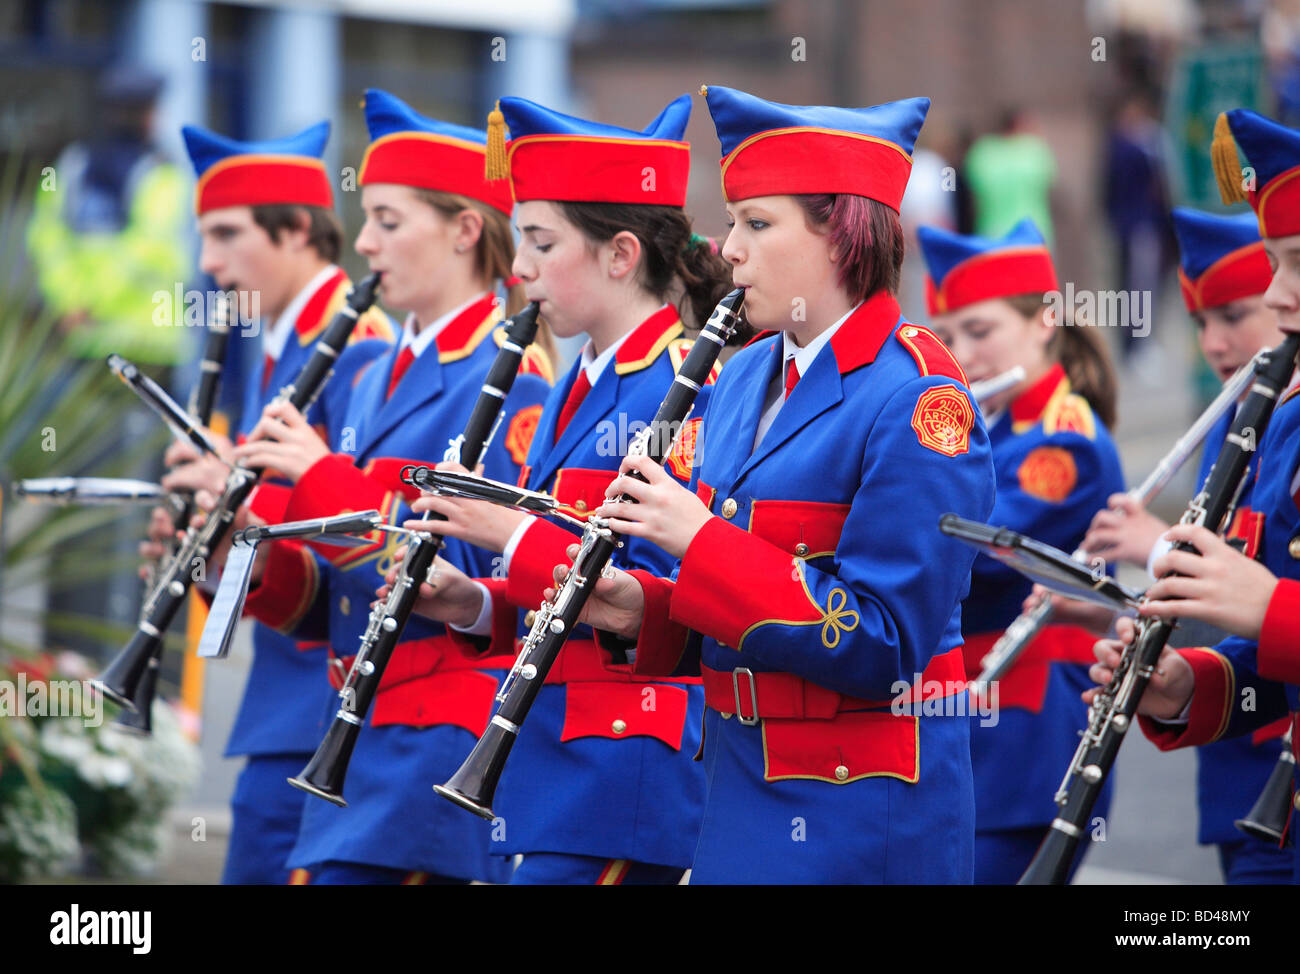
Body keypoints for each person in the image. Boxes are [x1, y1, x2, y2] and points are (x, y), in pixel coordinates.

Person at [546, 85, 997, 883]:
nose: (727, 250)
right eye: (732, 223)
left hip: (860, 821)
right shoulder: (746, 372)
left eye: (757, 223)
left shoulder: (921, 396)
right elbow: (742, 608)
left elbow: (884, 642)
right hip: (736, 799)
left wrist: (699, 541)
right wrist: (647, 610)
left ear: (843, 236)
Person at [392, 93, 734, 885]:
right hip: (551, 762)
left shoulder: (688, 386)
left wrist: (503, 532)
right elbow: (554, 593)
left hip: (626, 763)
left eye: (542, 243)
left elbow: (658, 590)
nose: (518, 269)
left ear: (619, 255)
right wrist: (470, 602)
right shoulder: (566, 388)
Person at [228, 89, 551, 885]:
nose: (364, 243)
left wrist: (317, 476)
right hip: (349, 718)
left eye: (389, 221)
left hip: (435, 728)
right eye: (365, 217)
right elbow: (327, 589)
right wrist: (245, 555)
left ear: (465, 229)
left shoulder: (517, 381)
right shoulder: (367, 367)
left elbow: (471, 579)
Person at [146, 118, 393, 884]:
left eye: (226, 235)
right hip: (286, 698)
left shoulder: (357, 343)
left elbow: (367, 535)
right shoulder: (287, 343)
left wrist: (232, 497)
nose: (209, 264)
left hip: (327, 705)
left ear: (294, 231)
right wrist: (211, 553)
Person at [1090, 108, 1300, 883]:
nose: (1281, 295)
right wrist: (1188, 685)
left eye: (1294, 264)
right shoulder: (1274, 424)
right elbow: (1273, 670)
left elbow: (1269, 606)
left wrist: (1262, 604)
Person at [917, 218, 1124, 883]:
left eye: (980, 331)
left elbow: (970, 553)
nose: (963, 354)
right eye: (947, 338)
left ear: (1044, 323)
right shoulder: (992, 425)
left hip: (1031, 728)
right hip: (972, 715)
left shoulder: (1065, 440)